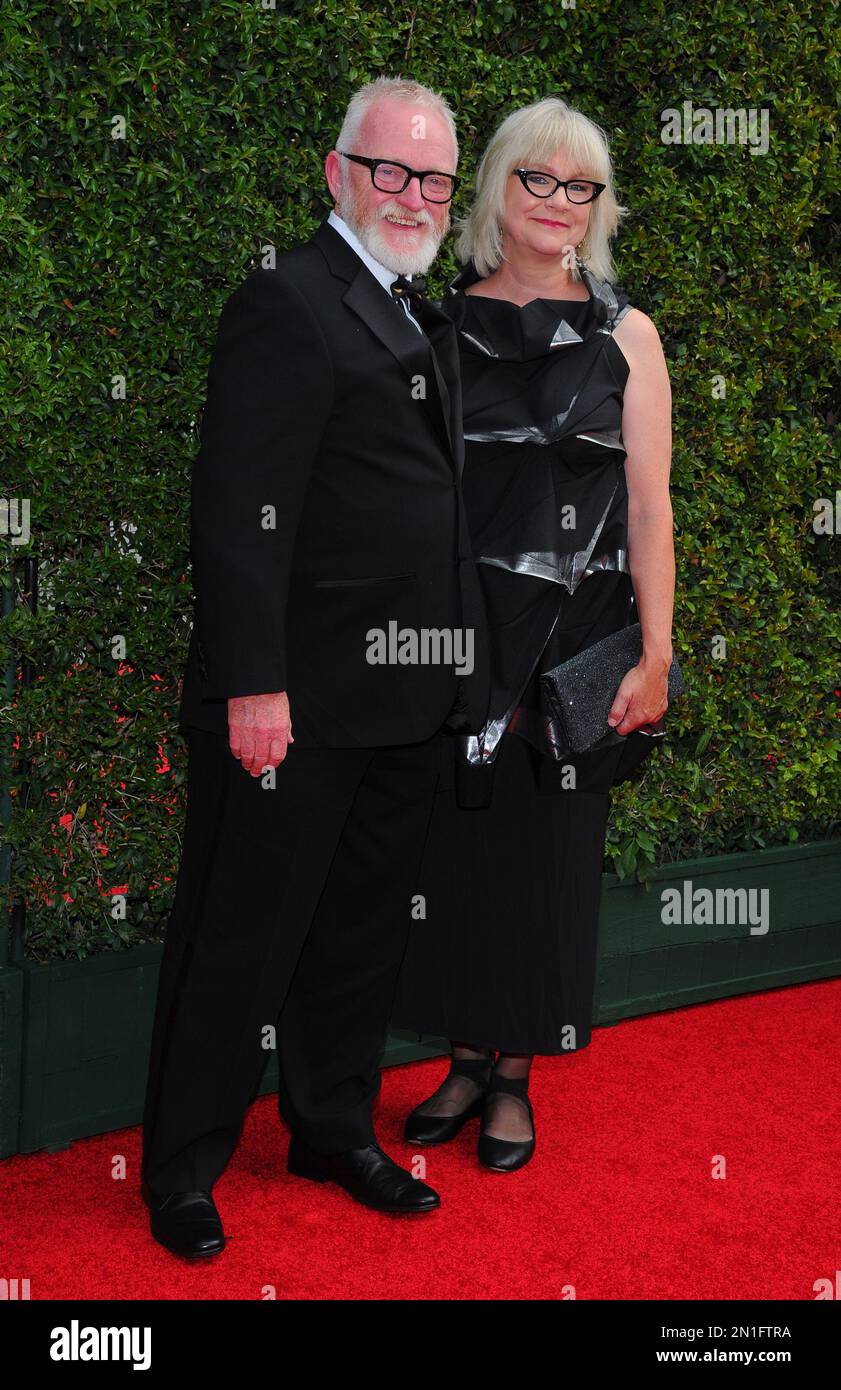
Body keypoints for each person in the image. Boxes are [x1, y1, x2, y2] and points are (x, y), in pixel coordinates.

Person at [141, 76, 490, 1257]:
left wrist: (456, 672)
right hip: (291, 708)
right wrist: (254, 684)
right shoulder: (288, 300)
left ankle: (330, 1126)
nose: (411, 193)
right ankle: (181, 1169)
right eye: (388, 169)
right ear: (337, 172)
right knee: (240, 935)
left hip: (403, 696)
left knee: (358, 934)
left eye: (433, 176)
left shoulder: (413, 309)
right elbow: (240, 514)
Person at [392, 96, 675, 1172]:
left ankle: (510, 1078)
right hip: (459, 644)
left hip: (574, 646)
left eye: (581, 187)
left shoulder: (625, 334)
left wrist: (655, 653)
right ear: (496, 191)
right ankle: (462, 1058)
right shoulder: (436, 327)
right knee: (454, 859)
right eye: (537, 181)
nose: (559, 204)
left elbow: (649, 505)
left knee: (546, 863)